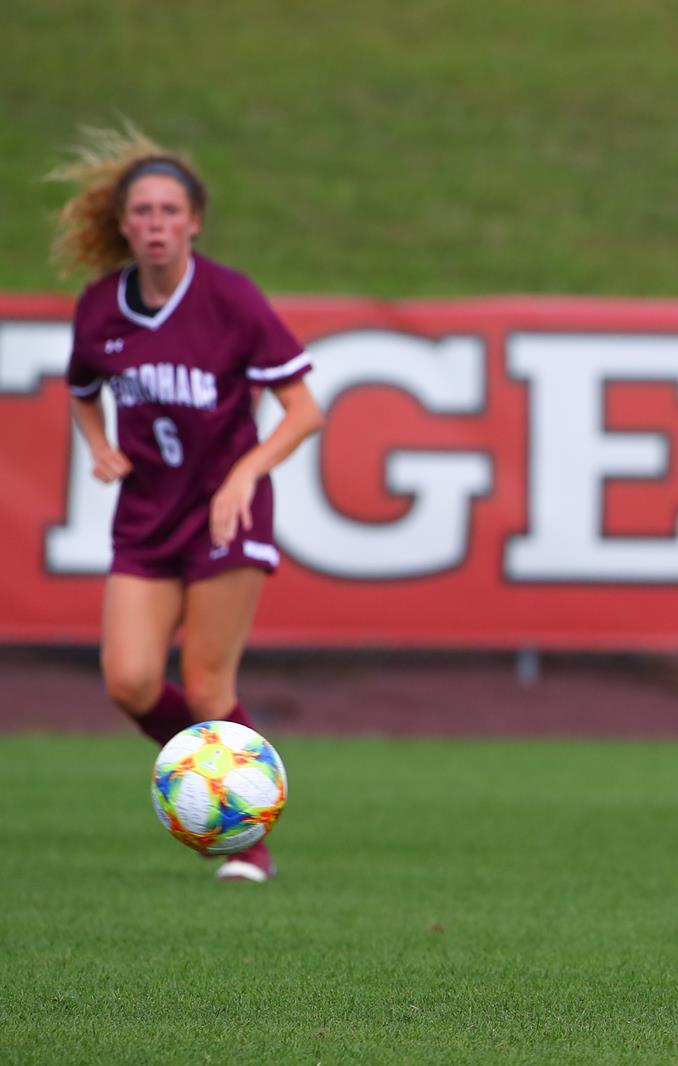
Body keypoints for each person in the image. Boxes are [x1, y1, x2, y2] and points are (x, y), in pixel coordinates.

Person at [52, 126, 324, 882]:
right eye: (142, 211)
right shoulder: (100, 308)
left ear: (194, 221)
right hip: (146, 516)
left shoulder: (229, 298)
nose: (157, 224)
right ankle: (221, 780)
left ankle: (246, 834)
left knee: (207, 687)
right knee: (130, 683)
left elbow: (305, 411)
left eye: (170, 210)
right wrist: (98, 443)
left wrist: (245, 475)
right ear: (123, 224)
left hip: (223, 513)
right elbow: (82, 390)